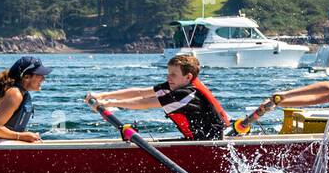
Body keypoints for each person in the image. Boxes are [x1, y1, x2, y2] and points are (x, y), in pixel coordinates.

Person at [90, 53, 229, 140]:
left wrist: (109, 104)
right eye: (168, 73)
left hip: (208, 144)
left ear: (188, 77)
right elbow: (140, 93)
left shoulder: (186, 94)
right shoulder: (173, 85)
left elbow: (144, 103)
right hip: (194, 141)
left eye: (173, 74)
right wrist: (103, 95)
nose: (168, 77)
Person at [0, 56, 53, 143]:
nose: (43, 79)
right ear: (26, 77)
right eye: (39, 75)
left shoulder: (11, 88)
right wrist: (22, 136)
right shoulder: (14, 94)